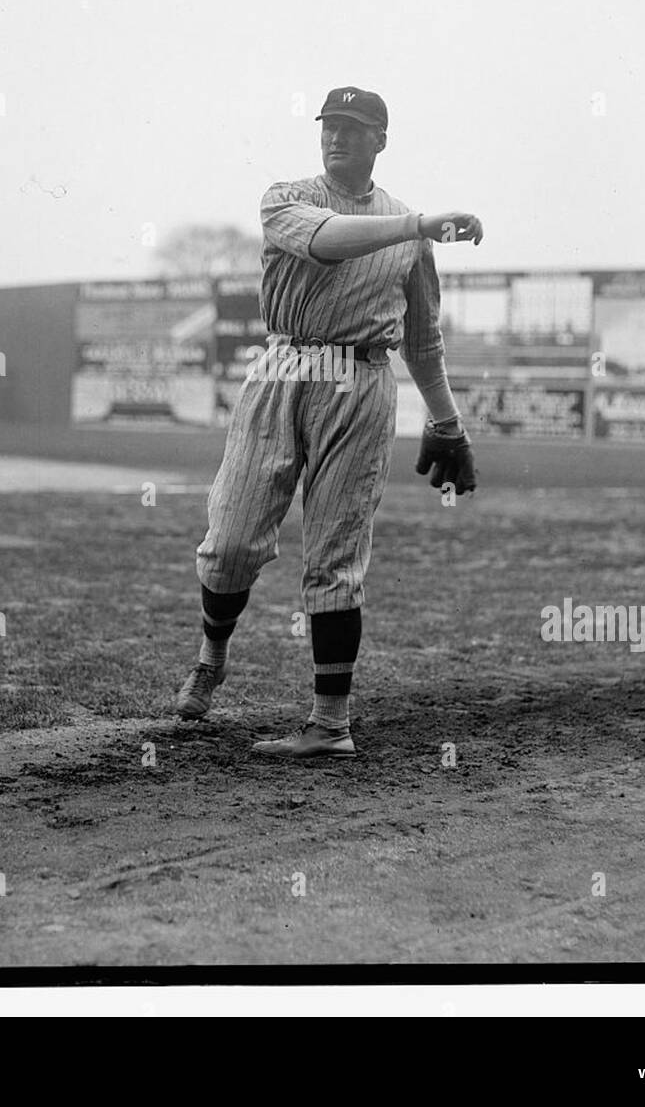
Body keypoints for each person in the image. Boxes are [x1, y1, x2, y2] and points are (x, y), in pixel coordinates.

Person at [176, 86, 482, 758]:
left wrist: (446, 420)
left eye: (353, 127)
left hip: (360, 379)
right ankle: (210, 655)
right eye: (329, 125)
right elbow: (325, 243)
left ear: (379, 139)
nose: (336, 137)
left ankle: (328, 724)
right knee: (228, 544)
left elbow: (422, 341)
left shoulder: (407, 226)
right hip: (285, 368)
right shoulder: (287, 198)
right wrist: (420, 224)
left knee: (335, 559)